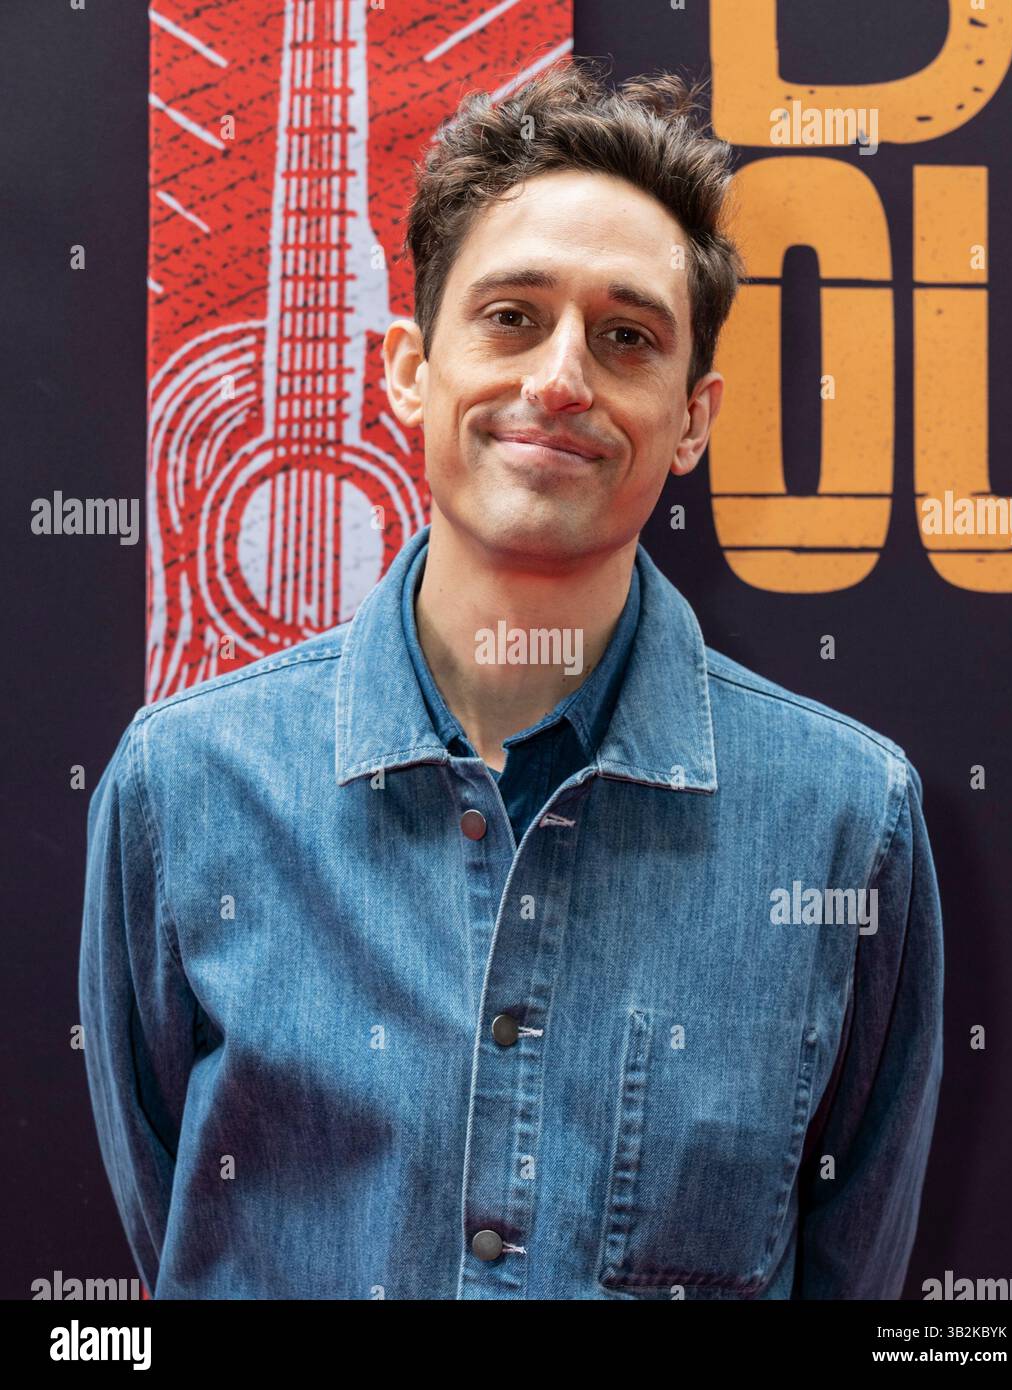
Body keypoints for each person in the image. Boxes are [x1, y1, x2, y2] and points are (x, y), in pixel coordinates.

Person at [79, 58, 943, 1300]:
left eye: (626, 336)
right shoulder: (186, 786)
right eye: (510, 315)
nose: (559, 378)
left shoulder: (845, 821)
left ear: (692, 419)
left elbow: (851, 1261)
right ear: (405, 368)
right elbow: (174, 1226)